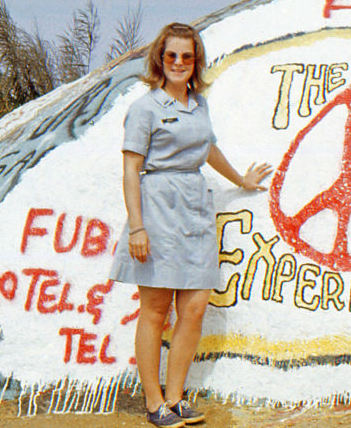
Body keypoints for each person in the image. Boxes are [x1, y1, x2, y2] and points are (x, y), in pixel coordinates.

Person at [109, 22, 272, 427]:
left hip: (196, 209)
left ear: (195, 60)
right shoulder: (145, 109)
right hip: (158, 207)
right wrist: (136, 227)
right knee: (155, 310)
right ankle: (154, 403)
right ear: (159, 60)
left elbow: (208, 148)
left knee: (195, 306)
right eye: (171, 56)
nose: (179, 63)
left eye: (187, 55)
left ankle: (177, 397)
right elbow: (131, 170)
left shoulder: (199, 104)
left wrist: (240, 180)